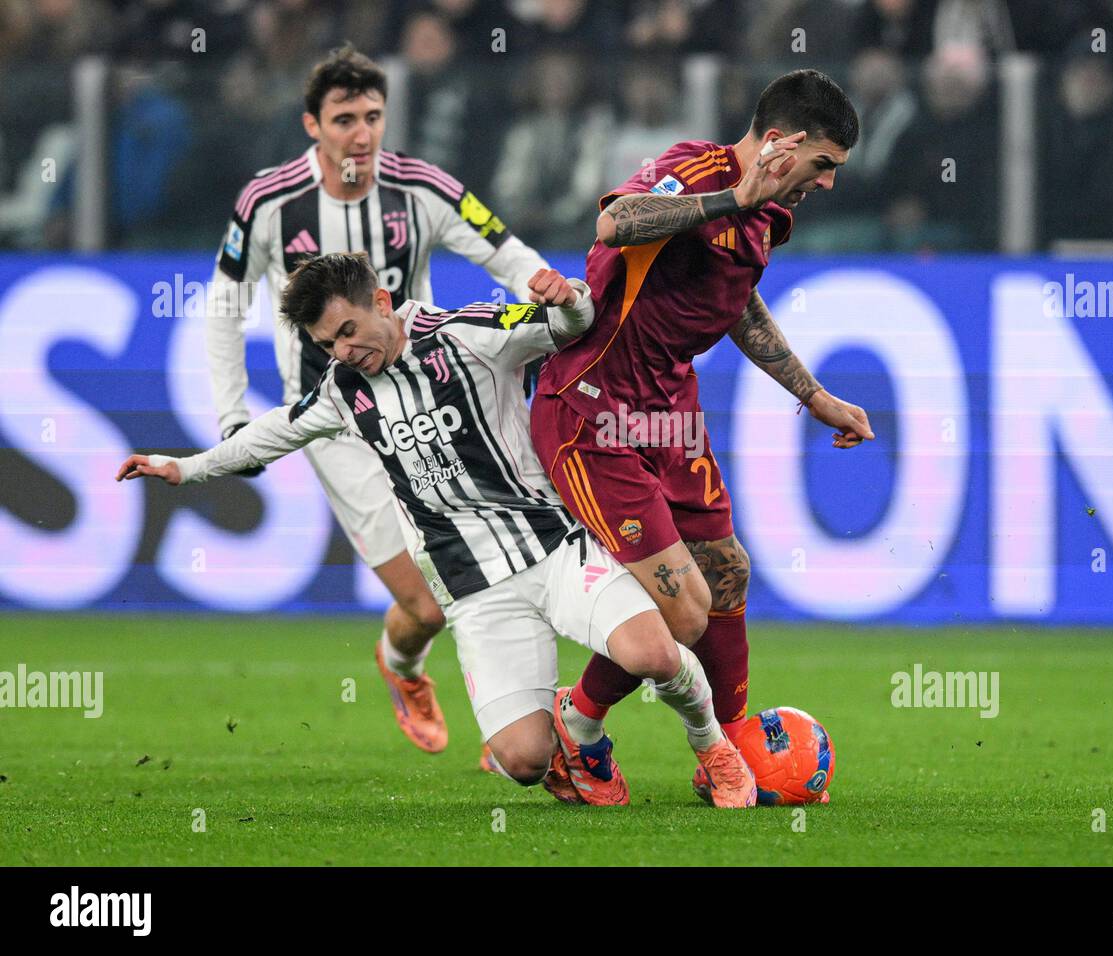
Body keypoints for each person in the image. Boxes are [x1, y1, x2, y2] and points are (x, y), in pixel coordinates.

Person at [120, 254, 758, 809]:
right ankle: (570, 746)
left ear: (380, 301)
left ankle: (712, 750)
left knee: (652, 652)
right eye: (327, 343)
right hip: (475, 590)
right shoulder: (343, 389)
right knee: (522, 761)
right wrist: (184, 468)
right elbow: (274, 430)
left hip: (555, 547)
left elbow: (569, 327)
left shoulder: (469, 332)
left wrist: (568, 297)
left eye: (347, 331)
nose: (342, 351)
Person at [529, 68, 874, 805]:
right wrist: (732, 198)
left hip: (669, 413)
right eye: (824, 165)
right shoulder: (699, 170)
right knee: (683, 610)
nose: (827, 184)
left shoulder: (768, 215)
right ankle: (579, 722)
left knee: (727, 573)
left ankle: (736, 741)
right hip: (594, 412)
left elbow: (736, 299)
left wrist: (812, 394)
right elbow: (614, 224)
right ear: (780, 143)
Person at [204, 45, 549, 760]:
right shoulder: (268, 202)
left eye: (371, 116)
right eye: (343, 119)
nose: (360, 134)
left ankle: (514, 723)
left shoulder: (420, 189)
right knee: (423, 606)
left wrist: (547, 298)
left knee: (492, 567)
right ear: (312, 125)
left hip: (430, 403)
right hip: (336, 421)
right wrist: (231, 416)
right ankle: (402, 668)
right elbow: (224, 304)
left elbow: (505, 251)